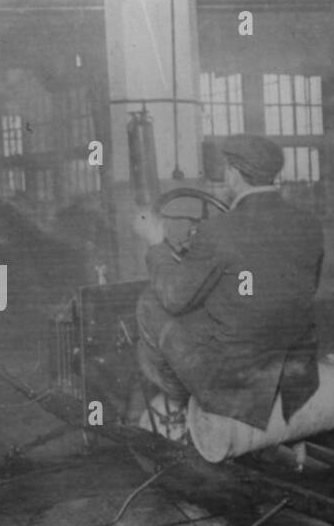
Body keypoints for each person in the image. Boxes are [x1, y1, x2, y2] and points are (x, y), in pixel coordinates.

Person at [133, 134, 323, 436]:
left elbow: (174, 297)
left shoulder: (218, 230)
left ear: (233, 173)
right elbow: (298, 286)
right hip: (296, 369)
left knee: (149, 304)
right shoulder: (309, 223)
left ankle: (181, 400)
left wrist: (157, 245)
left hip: (238, 377)